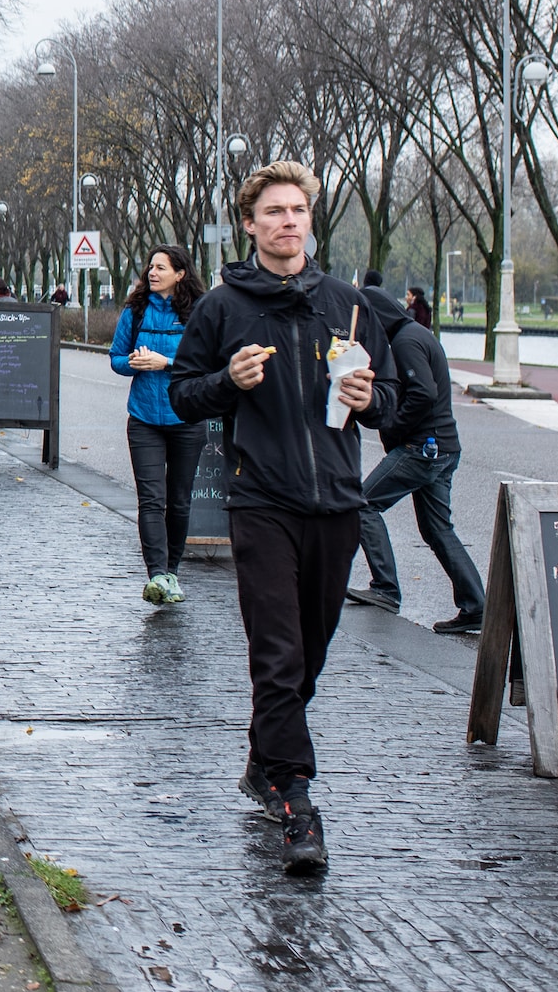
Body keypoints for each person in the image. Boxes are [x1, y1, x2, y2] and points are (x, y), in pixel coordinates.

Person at [168, 161, 392, 875]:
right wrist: (226, 381)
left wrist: (368, 397)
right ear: (250, 223)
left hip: (337, 503)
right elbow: (181, 395)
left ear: (310, 219)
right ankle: (297, 803)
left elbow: (393, 406)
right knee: (279, 654)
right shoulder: (225, 308)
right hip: (260, 500)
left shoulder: (347, 304)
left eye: (298, 209)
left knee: (311, 654)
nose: (288, 221)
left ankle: (264, 761)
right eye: (274, 211)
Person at [348, 283, 484, 632]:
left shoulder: (406, 342)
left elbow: (423, 393)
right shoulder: (416, 335)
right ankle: (476, 605)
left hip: (423, 447)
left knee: (363, 504)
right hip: (442, 447)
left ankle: (386, 588)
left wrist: (392, 424)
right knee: (438, 529)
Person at [111, 244, 205, 606]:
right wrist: (132, 363)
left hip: (186, 418)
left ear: (180, 274)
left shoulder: (198, 313)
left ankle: (174, 572)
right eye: (150, 267)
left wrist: (165, 362)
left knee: (179, 502)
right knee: (151, 500)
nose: (152, 273)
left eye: (161, 268)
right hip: (144, 419)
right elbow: (116, 358)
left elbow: (205, 362)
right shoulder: (135, 312)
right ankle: (157, 575)